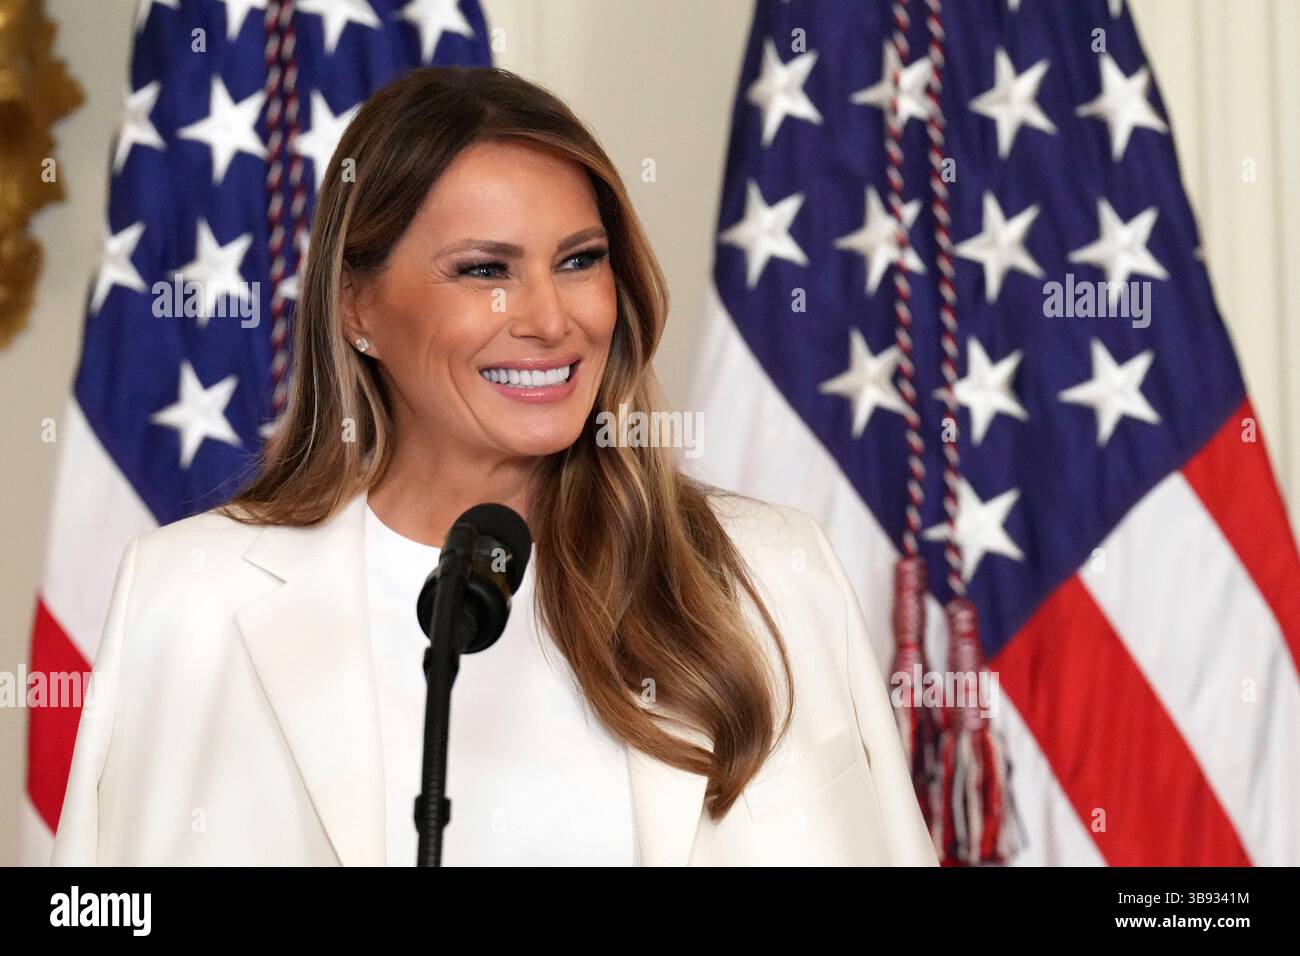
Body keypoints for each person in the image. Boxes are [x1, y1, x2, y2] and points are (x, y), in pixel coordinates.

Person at [51, 66, 937, 866]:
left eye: (580, 261)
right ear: (357, 304)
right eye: (485, 271)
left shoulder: (773, 576)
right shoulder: (185, 597)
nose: (552, 321)